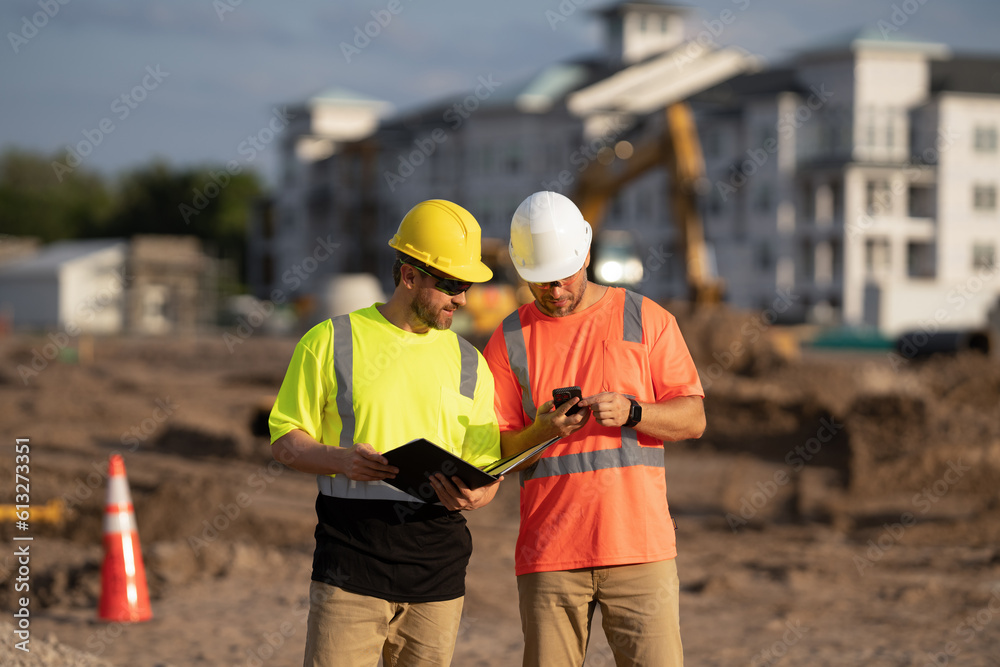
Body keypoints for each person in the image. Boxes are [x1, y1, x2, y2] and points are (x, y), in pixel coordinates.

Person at [269, 199, 503, 667]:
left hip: (437, 575)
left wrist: (480, 494)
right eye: (452, 285)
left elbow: (486, 468)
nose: (462, 299)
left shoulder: (470, 362)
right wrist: (341, 460)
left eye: (467, 287)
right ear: (408, 276)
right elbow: (285, 441)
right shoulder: (330, 340)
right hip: (350, 566)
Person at [483, 191, 706, 667]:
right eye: (539, 280)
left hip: (640, 549)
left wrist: (636, 412)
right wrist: (541, 431)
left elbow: (693, 418)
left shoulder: (646, 319)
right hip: (550, 556)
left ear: (586, 255)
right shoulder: (507, 338)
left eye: (563, 275)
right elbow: (497, 452)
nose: (554, 290)